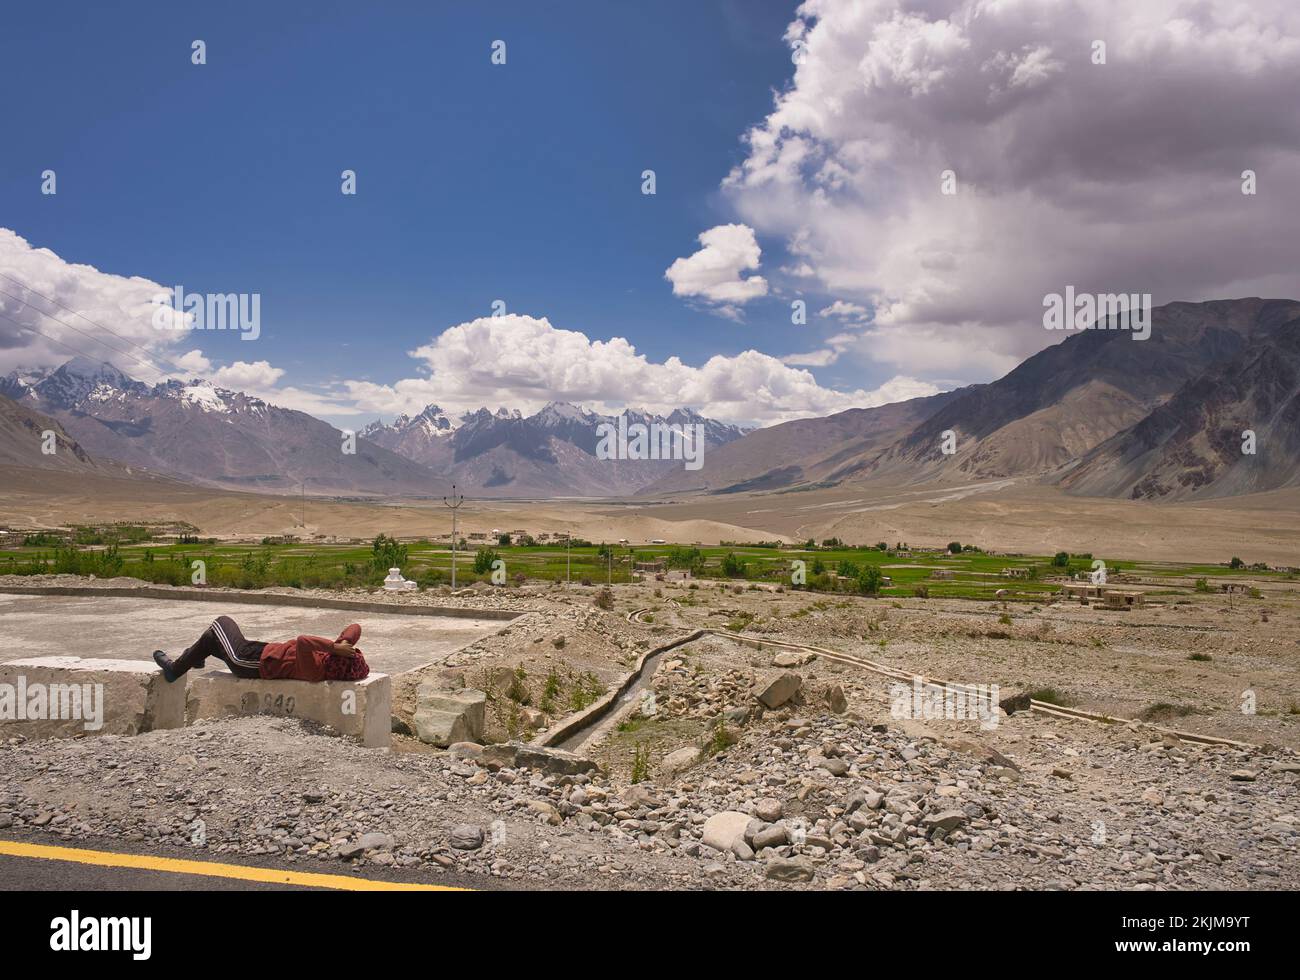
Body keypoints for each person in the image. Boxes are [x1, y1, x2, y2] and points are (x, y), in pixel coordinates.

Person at [153, 616, 369, 683]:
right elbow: (355, 627)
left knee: (219, 625)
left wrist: (334, 646)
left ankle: (176, 669)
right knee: (212, 640)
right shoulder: (330, 659)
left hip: (249, 662)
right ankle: (195, 658)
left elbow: (303, 640)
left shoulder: (316, 669)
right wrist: (345, 644)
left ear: (337, 659)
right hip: (258, 651)